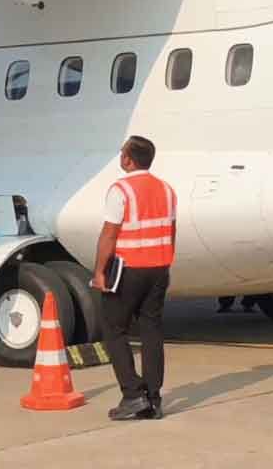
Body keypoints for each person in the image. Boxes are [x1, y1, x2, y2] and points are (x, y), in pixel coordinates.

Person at [92, 136, 176, 421]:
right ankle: (153, 399)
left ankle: (132, 395)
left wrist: (99, 271)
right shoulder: (166, 190)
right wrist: (165, 260)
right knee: (151, 330)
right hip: (159, 268)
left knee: (114, 328)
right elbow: (171, 230)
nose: (120, 156)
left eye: (122, 152)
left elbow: (109, 234)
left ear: (128, 160)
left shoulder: (121, 190)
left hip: (129, 269)